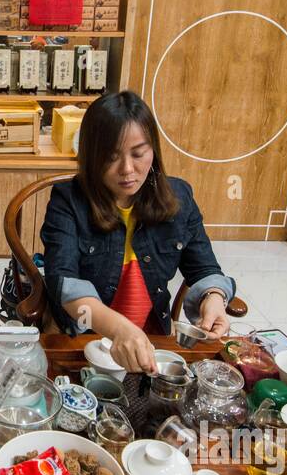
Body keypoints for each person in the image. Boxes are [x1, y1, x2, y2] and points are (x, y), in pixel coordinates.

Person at [40, 91, 236, 374]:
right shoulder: (68, 201)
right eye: (111, 157)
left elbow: (204, 267)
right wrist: (120, 330)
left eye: (138, 153)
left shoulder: (179, 198)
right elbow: (66, 286)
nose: (128, 169)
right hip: (85, 338)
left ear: (153, 151)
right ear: (91, 156)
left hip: (152, 337)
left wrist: (214, 299)